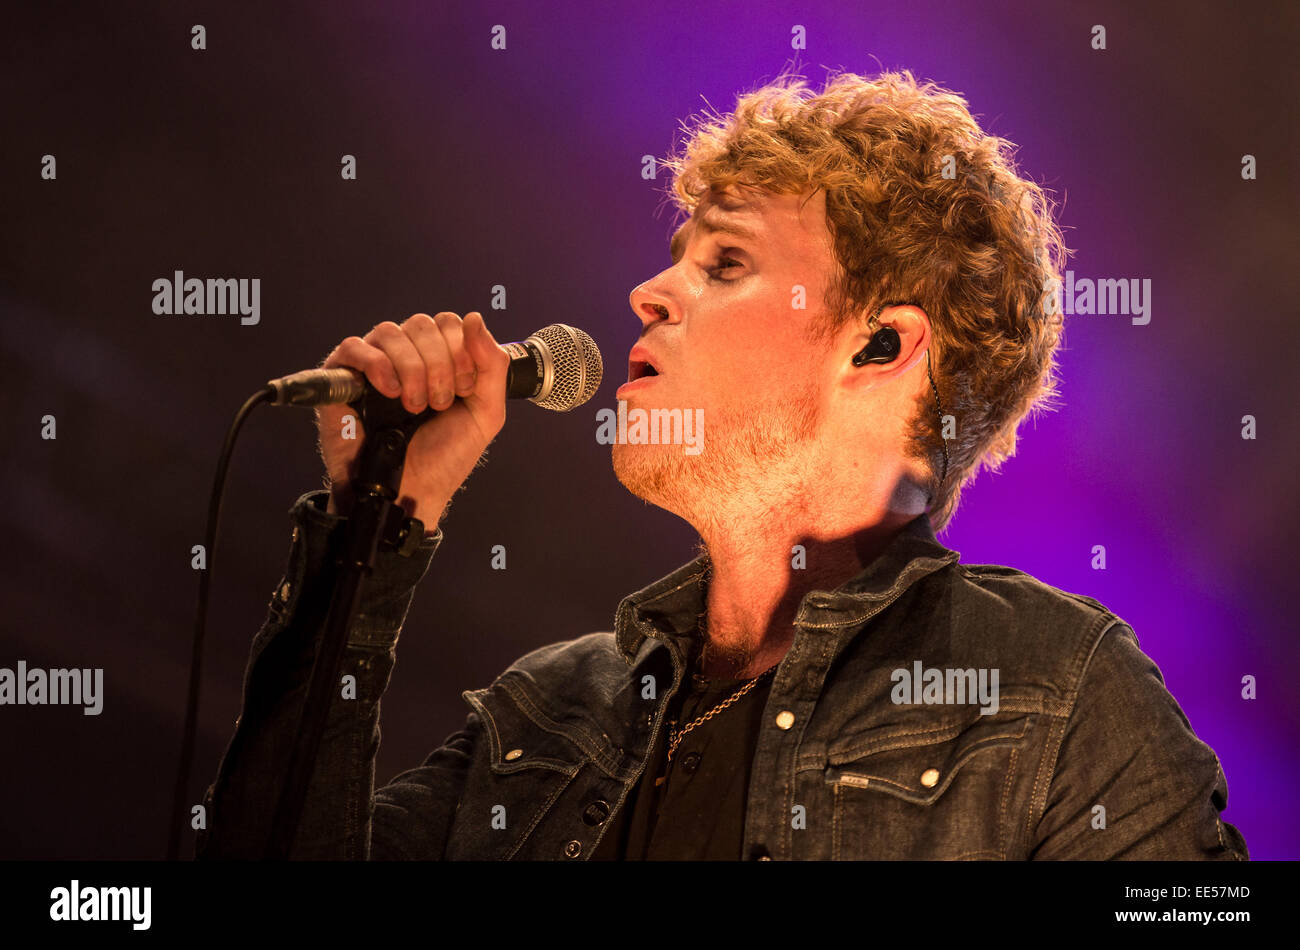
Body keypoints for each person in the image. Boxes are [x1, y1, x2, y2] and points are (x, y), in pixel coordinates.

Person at [196, 69, 1248, 860]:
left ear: (878, 344)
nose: (648, 295)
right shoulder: (549, 707)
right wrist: (377, 522)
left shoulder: (1056, 696)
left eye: (725, 262)